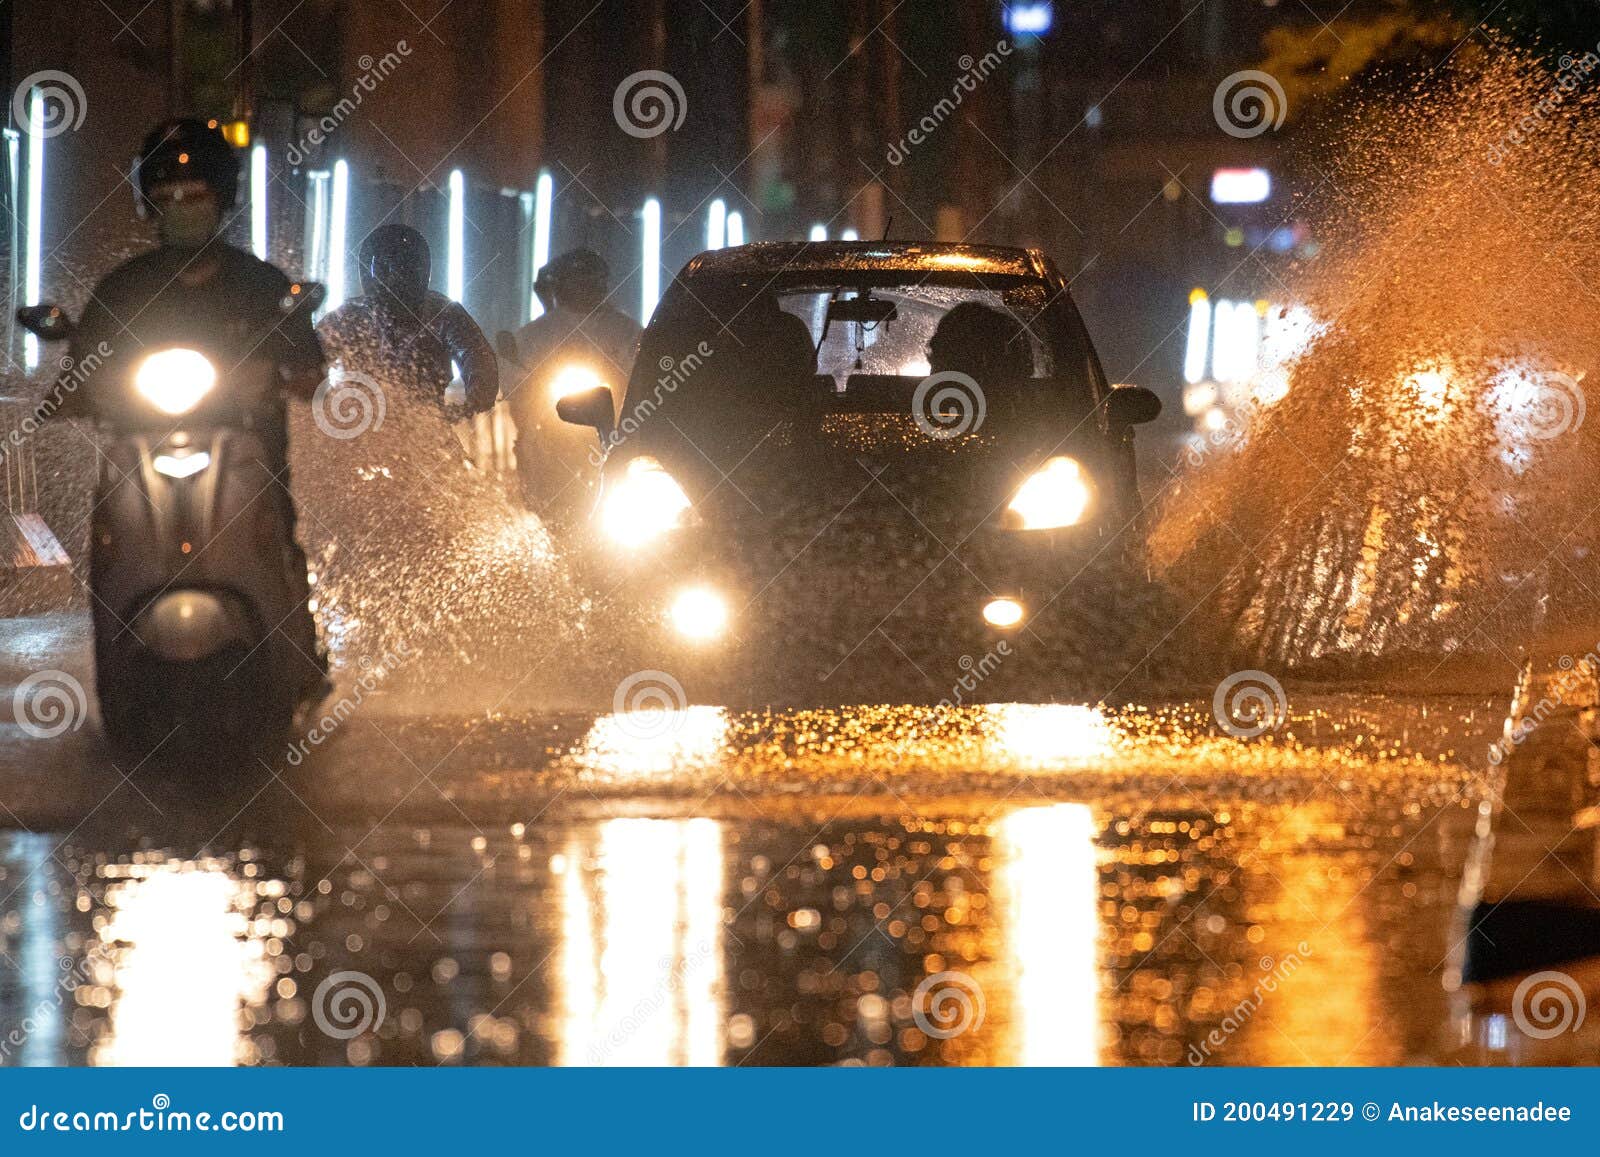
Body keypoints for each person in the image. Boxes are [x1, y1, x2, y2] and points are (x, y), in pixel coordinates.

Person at [63, 116, 326, 683]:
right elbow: (80, 370)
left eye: (195, 195)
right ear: (151, 207)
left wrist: (282, 371)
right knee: (109, 526)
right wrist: (79, 387)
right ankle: (114, 652)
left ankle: (298, 658)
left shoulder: (261, 284)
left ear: (220, 200)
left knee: (277, 526)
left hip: (246, 447)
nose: (183, 205)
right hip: (142, 446)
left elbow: (309, 369)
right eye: (169, 197)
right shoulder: (123, 289)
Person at [502, 248, 641, 514]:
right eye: (577, 279)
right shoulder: (534, 335)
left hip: (612, 430)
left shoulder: (626, 331)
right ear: (561, 284)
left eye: (592, 278)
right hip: (550, 431)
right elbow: (515, 381)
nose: (585, 286)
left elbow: (641, 373)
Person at [317, 223, 499, 417]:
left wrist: (472, 402)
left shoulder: (443, 313)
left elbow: (477, 357)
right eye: (389, 271)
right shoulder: (348, 316)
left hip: (425, 423)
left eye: (405, 270)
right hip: (357, 426)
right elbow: (307, 358)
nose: (396, 279)